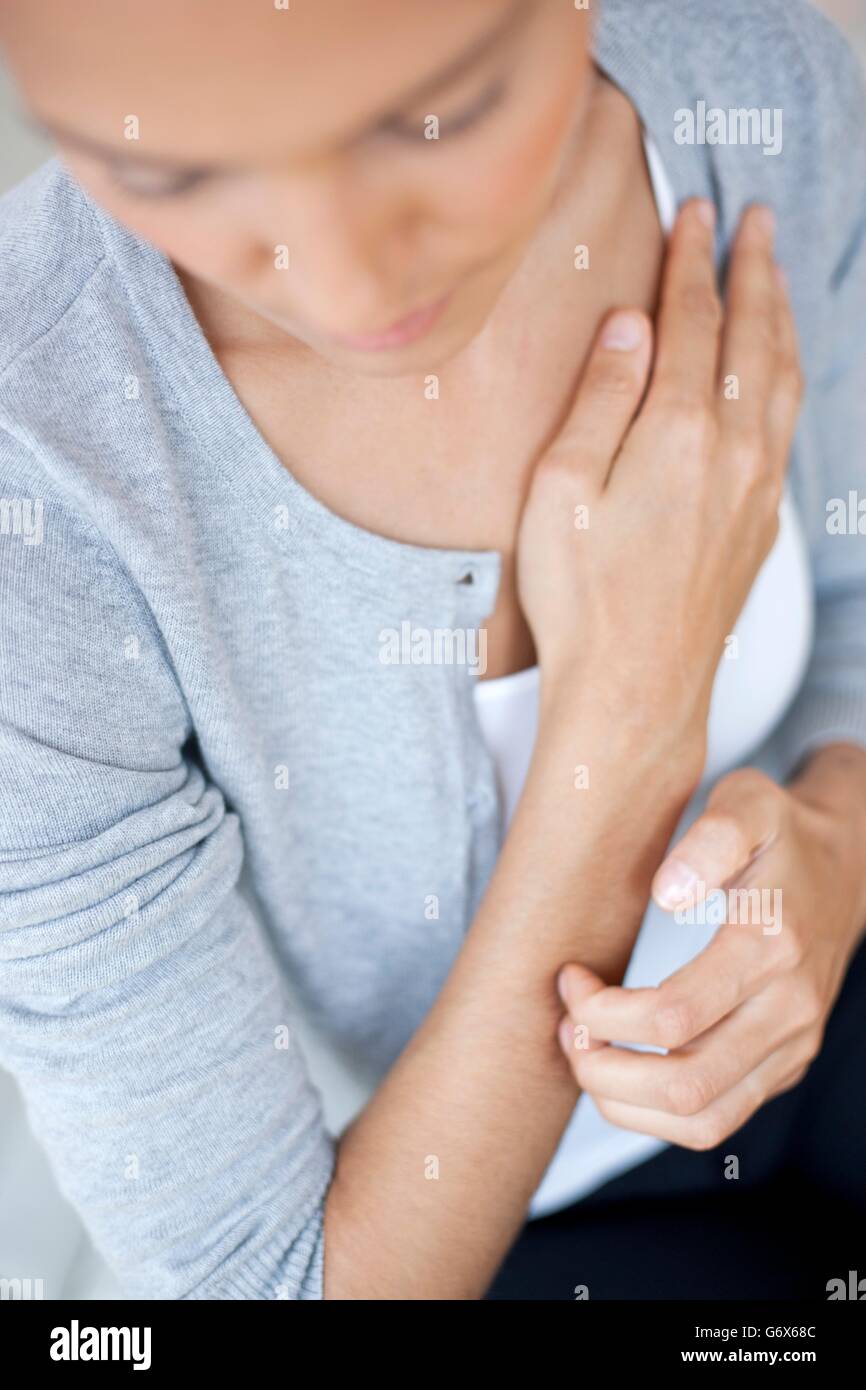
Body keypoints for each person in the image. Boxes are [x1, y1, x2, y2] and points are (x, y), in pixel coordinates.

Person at [0, 0, 865, 1301]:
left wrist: (840, 838)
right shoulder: (38, 496)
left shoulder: (742, 78)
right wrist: (628, 726)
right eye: (167, 167)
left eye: (441, 115)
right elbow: (268, 1285)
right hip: (476, 1220)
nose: (353, 289)